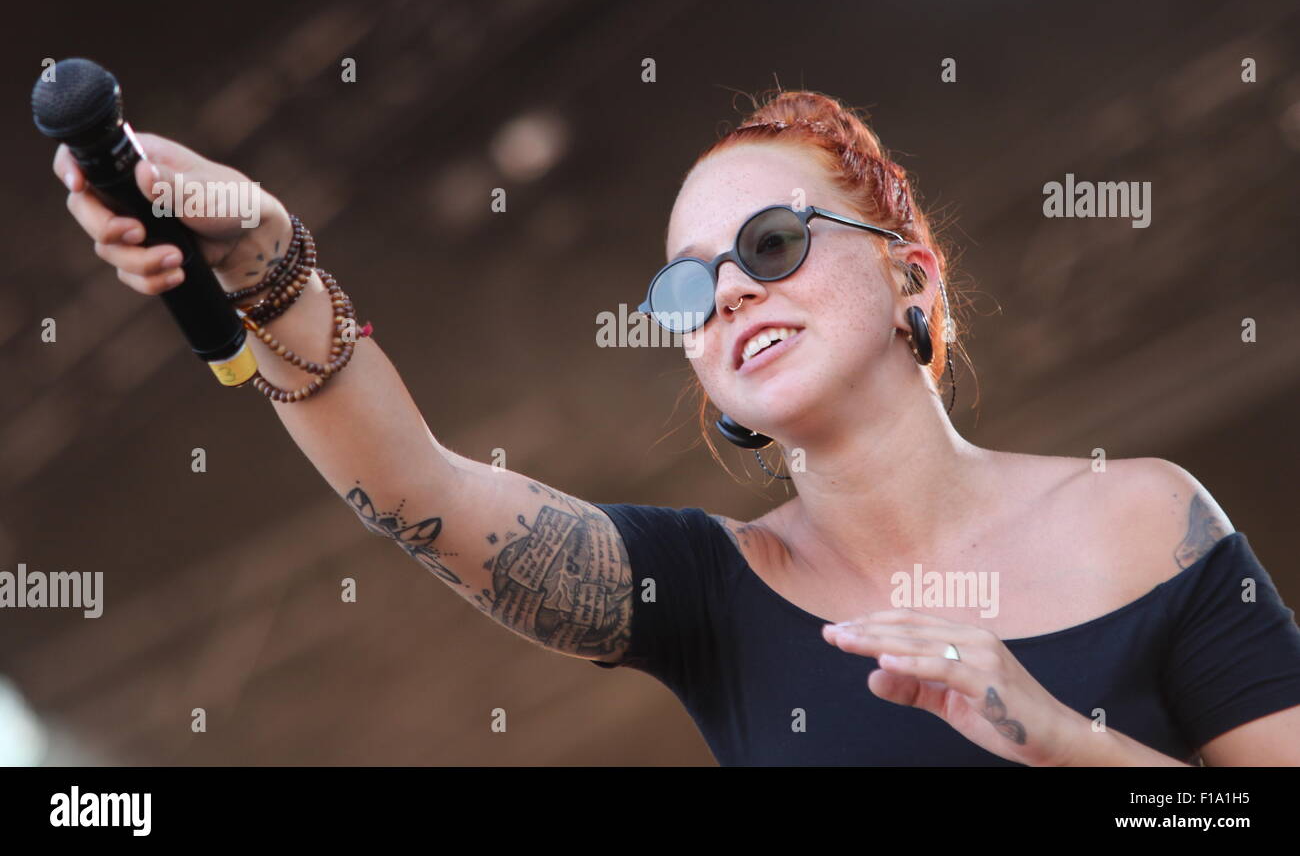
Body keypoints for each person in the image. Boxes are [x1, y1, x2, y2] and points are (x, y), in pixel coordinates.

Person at [54, 89, 1300, 766]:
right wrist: (267, 256)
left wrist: (1064, 743)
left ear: (910, 274)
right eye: (687, 286)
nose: (733, 291)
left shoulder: (1149, 515)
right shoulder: (713, 588)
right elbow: (412, 480)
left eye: (769, 243)